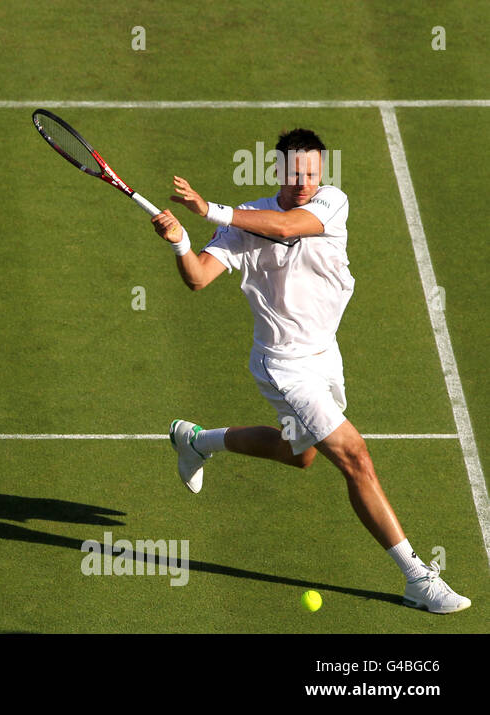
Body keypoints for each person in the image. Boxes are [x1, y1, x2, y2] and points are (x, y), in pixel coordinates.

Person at [149, 128, 470, 613]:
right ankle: (417, 578)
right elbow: (197, 278)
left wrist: (210, 208)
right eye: (296, 173)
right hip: (283, 364)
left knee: (297, 454)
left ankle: (196, 441)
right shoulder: (242, 222)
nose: (305, 182)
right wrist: (179, 243)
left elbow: (284, 228)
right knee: (355, 457)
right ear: (277, 171)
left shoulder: (331, 202)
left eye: (313, 174)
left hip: (325, 355)